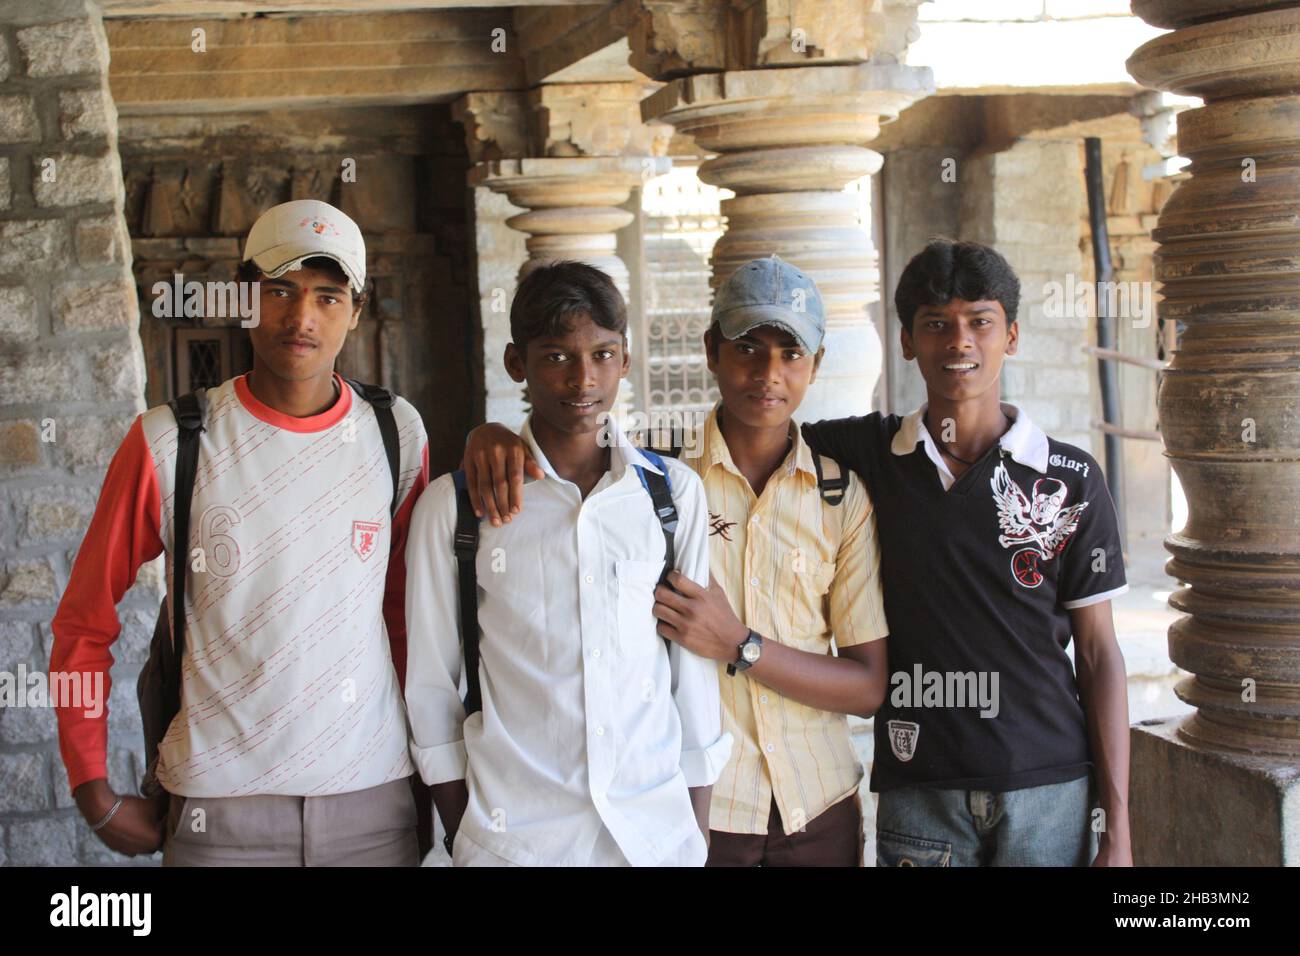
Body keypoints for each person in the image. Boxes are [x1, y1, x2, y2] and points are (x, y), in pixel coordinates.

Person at [459, 255, 890, 866]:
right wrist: (489, 435)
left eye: (792, 355)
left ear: (817, 366)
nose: (768, 373)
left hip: (816, 804)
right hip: (690, 807)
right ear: (712, 351)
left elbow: (868, 684)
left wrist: (741, 644)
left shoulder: (838, 495)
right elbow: (568, 444)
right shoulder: (655, 482)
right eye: (747, 348)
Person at [50, 199, 430, 866]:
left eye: (328, 296)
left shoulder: (395, 434)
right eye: (279, 290)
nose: (302, 317)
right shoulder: (171, 441)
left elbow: (406, 617)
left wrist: (437, 774)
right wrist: (90, 784)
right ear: (243, 294)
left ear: (357, 309)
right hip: (217, 816)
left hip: (372, 805)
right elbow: (83, 621)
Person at [801, 238, 1132, 867]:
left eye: (980, 321)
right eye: (936, 325)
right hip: (921, 788)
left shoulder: (1069, 477)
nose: (959, 342)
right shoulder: (867, 455)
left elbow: (1098, 653)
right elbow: (757, 434)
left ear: (1011, 336)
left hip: (1049, 789)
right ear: (906, 341)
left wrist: (1119, 828)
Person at [403, 260, 731, 867]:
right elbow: (430, 689)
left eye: (603, 354)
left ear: (626, 360)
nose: (583, 378)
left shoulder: (671, 496)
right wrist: (464, 837)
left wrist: (695, 831)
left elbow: (691, 679)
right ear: (516, 363)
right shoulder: (455, 509)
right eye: (556, 356)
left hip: (651, 839)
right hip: (514, 844)